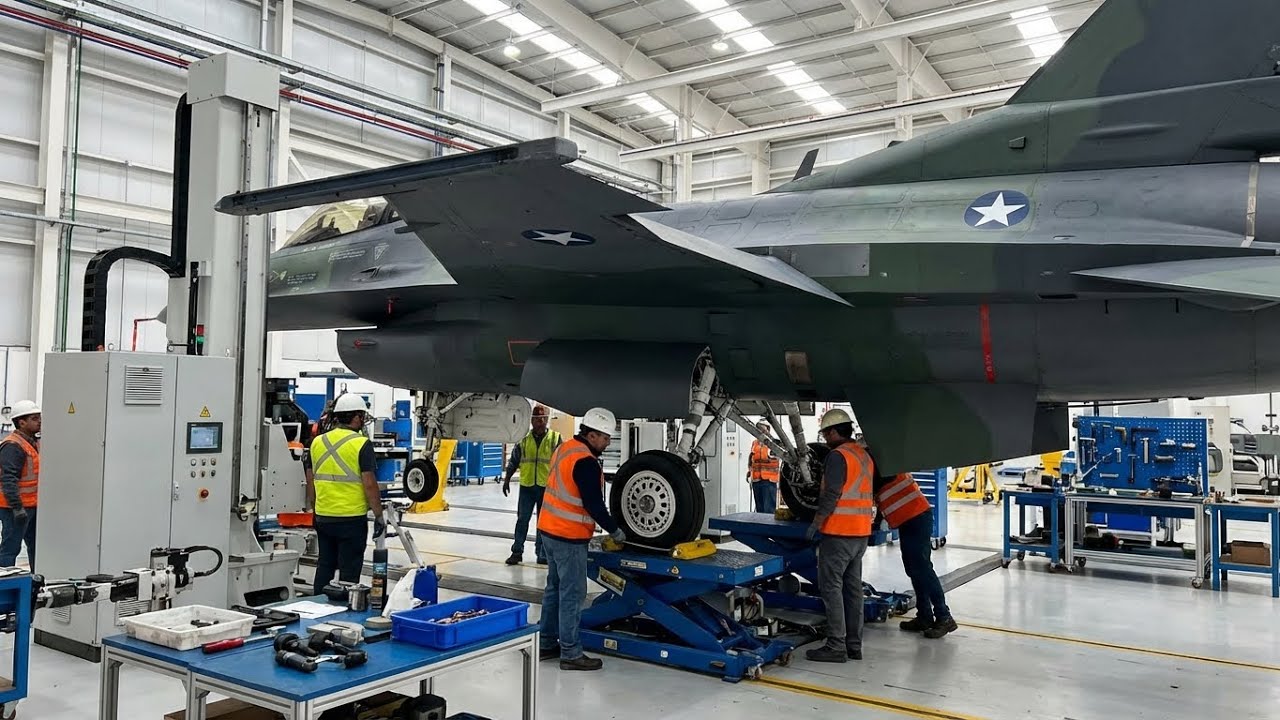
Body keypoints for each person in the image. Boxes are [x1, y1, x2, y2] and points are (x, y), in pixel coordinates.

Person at [537, 407, 626, 672]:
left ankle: (546, 643)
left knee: (554, 589)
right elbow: (594, 505)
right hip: (569, 536)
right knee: (572, 594)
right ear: (592, 435)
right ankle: (571, 653)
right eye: (605, 438)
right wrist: (615, 531)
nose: (608, 443)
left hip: (549, 530)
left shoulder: (565, 449)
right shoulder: (585, 461)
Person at [804, 408, 874, 663]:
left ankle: (836, 646)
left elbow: (832, 493)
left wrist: (816, 523)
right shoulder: (863, 455)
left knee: (831, 588)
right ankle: (854, 645)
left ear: (834, 432)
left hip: (839, 532)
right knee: (853, 590)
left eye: (825, 434)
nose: (824, 439)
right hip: (860, 533)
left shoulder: (837, 456)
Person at [305, 393, 385, 595]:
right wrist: (378, 515)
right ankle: (345, 608)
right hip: (351, 519)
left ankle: (317, 605)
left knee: (325, 566)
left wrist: (315, 509)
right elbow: (369, 484)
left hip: (324, 517)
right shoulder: (361, 444)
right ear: (356, 417)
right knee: (349, 572)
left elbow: (310, 481)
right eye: (362, 416)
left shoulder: (317, 442)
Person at [874, 468, 956, 639]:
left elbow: (876, 485)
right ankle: (924, 616)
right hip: (909, 519)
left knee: (923, 570)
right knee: (914, 570)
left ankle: (944, 617)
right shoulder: (880, 469)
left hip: (916, 518)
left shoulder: (884, 469)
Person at [503, 405, 562, 566]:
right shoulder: (524, 439)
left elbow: (562, 463)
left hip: (547, 487)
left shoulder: (555, 439)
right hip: (527, 487)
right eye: (537, 419)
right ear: (531, 421)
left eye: (543, 419)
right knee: (522, 520)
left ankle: (541, 554)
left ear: (547, 420)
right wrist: (507, 479)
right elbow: (514, 460)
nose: (540, 422)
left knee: (543, 523)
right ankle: (517, 552)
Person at [0, 401, 40, 569]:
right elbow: (8, 479)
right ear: (21, 422)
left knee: (37, 548)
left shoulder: (34, 442)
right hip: (15, 509)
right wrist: (17, 508)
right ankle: (4, 582)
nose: (39, 421)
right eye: (34, 418)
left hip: (33, 506)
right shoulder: (13, 445)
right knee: (10, 549)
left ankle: (35, 581)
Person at [747, 421, 780, 515]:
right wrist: (749, 472)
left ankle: (769, 524)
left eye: (762, 429)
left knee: (768, 509)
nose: (760, 431)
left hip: (769, 481)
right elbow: (751, 458)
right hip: (756, 480)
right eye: (758, 429)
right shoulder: (755, 443)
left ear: (768, 429)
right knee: (759, 509)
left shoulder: (773, 444)